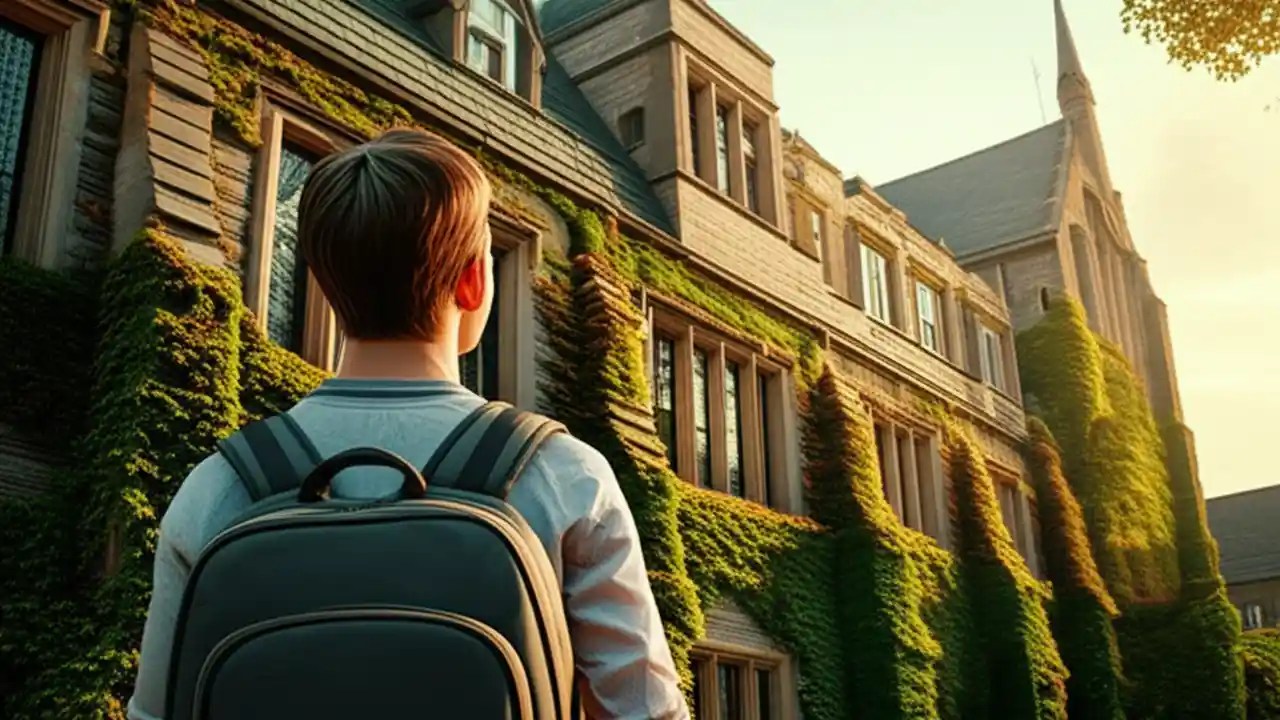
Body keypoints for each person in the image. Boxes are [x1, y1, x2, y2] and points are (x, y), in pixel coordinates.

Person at [126, 127, 689, 720]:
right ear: (473, 281)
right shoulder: (564, 477)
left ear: (323, 281)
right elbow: (643, 712)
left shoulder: (219, 487)